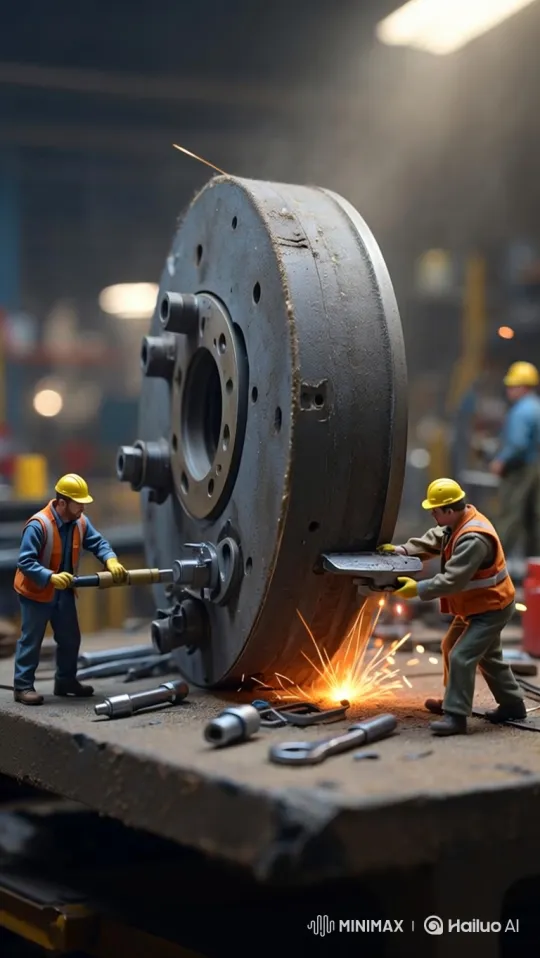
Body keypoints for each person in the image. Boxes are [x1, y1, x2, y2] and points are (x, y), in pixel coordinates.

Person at [379, 477, 525, 736]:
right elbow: (435, 539)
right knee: (481, 656)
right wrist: (403, 550)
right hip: (474, 606)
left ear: (449, 509)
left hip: (491, 608)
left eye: (435, 510)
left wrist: (417, 589)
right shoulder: (456, 524)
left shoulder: (473, 539)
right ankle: (513, 705)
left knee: (461, 655)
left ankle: (456, 716)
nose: (432, 514)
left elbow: (453, 579)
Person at [13, 474, 128, 705]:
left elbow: (98, 543)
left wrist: (111, 560)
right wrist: (50, 577)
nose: (83, 507)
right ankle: (23, 686)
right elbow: (25, 562)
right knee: (31, 640)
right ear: (62, 502)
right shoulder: (39, 525)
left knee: (70, 638)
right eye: (79, 502)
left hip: (63, 593)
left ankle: (65, 681)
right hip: (36, 593)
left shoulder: (80, 522)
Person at [489, 361, 540, 557]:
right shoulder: (536, 407)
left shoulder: (520, 411)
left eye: (512, 386)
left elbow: (517, 443)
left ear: (523, 387)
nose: (508, 390)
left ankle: (493, 564)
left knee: (509, 516)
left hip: (519, 470)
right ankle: (535, 567)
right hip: (534, 467)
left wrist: (501, 460)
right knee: (533, 519)